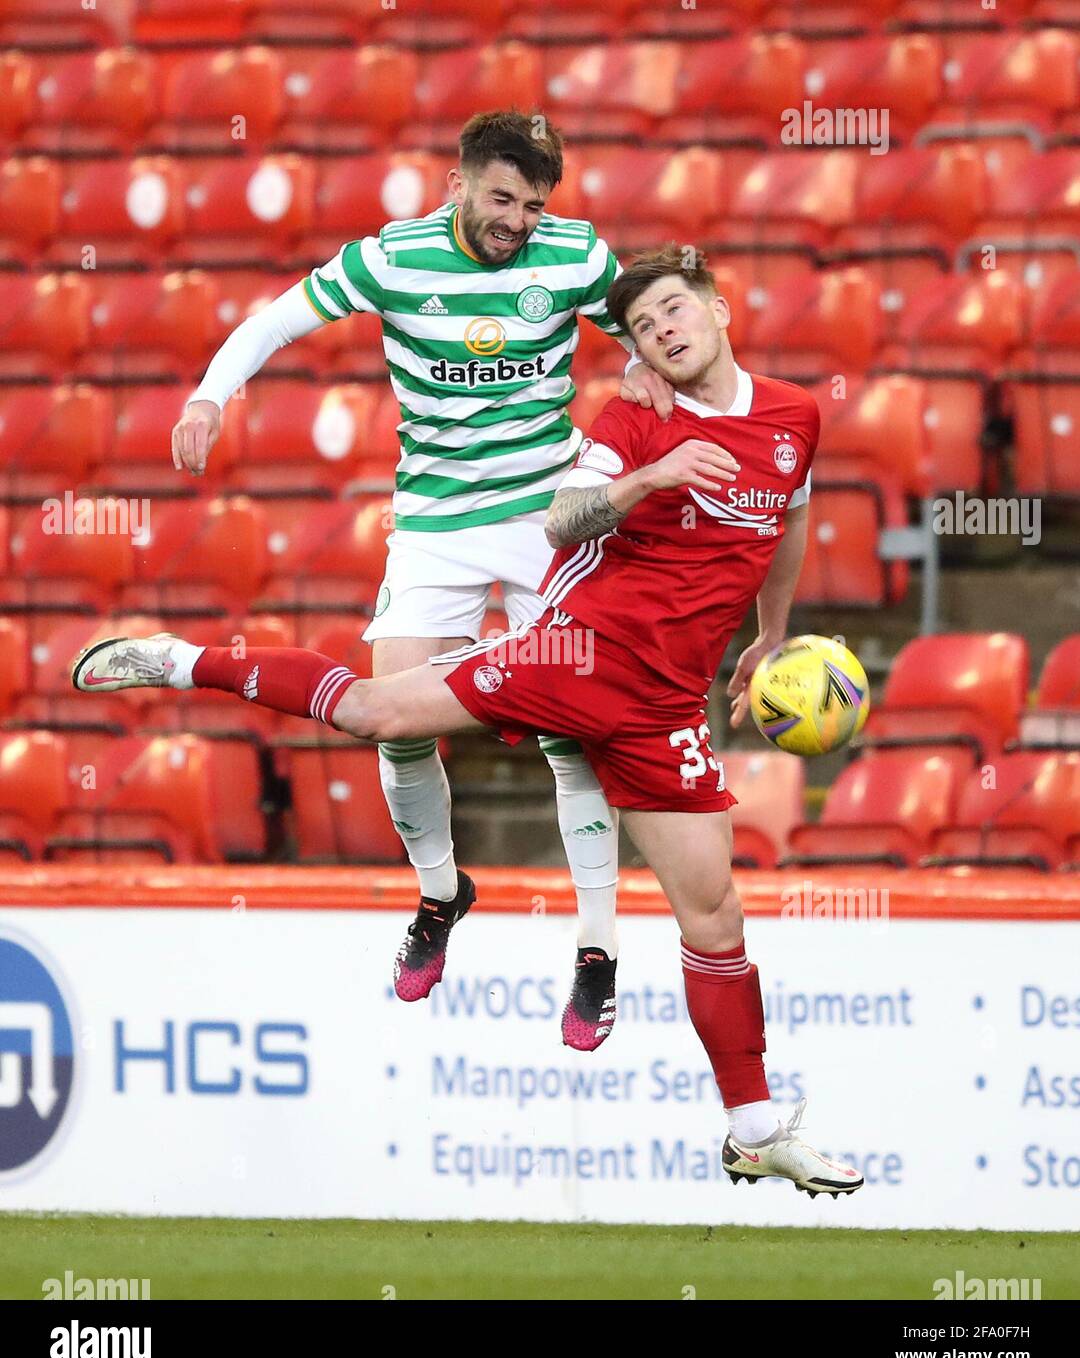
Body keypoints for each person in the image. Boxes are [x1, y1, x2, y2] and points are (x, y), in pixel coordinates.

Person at [75, 245, 863, 1196]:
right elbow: (564, 519)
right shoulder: (636, 418)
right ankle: (181, 659)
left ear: (718, 309)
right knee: (375, 712)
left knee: (716, 912)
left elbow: (790, 521)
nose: (663, 330)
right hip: (578, 655)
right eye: (647, 323)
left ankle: (752, 1126)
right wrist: (649, 482)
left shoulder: (794, 416)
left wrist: (772, 639)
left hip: (666, 704)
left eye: (673, 311)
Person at [168, 110, 675, 1051]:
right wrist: (208, 394)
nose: (516, 221)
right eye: (499, 198)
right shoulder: (390, 260)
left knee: (576, 732)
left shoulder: (574, 254)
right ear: (457, 185)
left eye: (531, 204)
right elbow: (275, 319)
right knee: (391, 725)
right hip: (437, 524)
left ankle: (598, 950)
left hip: (546, 517)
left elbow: (649, 323)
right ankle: (442, 892)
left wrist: (644, 364)